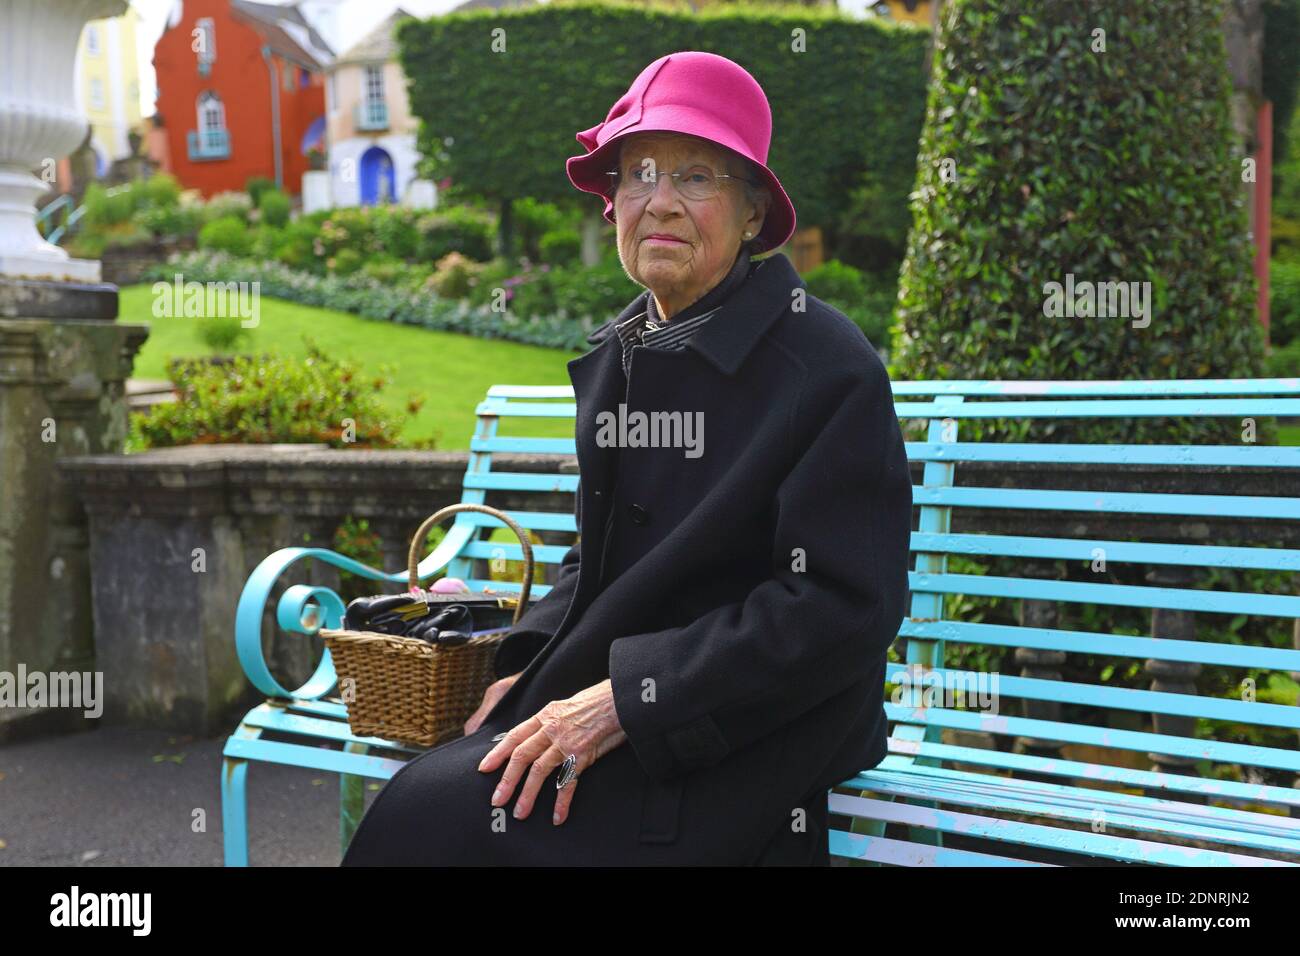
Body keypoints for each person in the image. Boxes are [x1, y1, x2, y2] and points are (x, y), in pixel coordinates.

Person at [340, 50, 912, 867]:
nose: (662, 203)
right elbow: (594, 554)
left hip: (752, 716)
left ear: (752, 213)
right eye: (638, 175)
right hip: (622, 688)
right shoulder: (625, 350)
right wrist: (526, 662)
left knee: (437, 820)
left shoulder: (826, 368)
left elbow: (838, 609)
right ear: (612, 205)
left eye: (696, 177)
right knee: (437, 800)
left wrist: (632, 701)